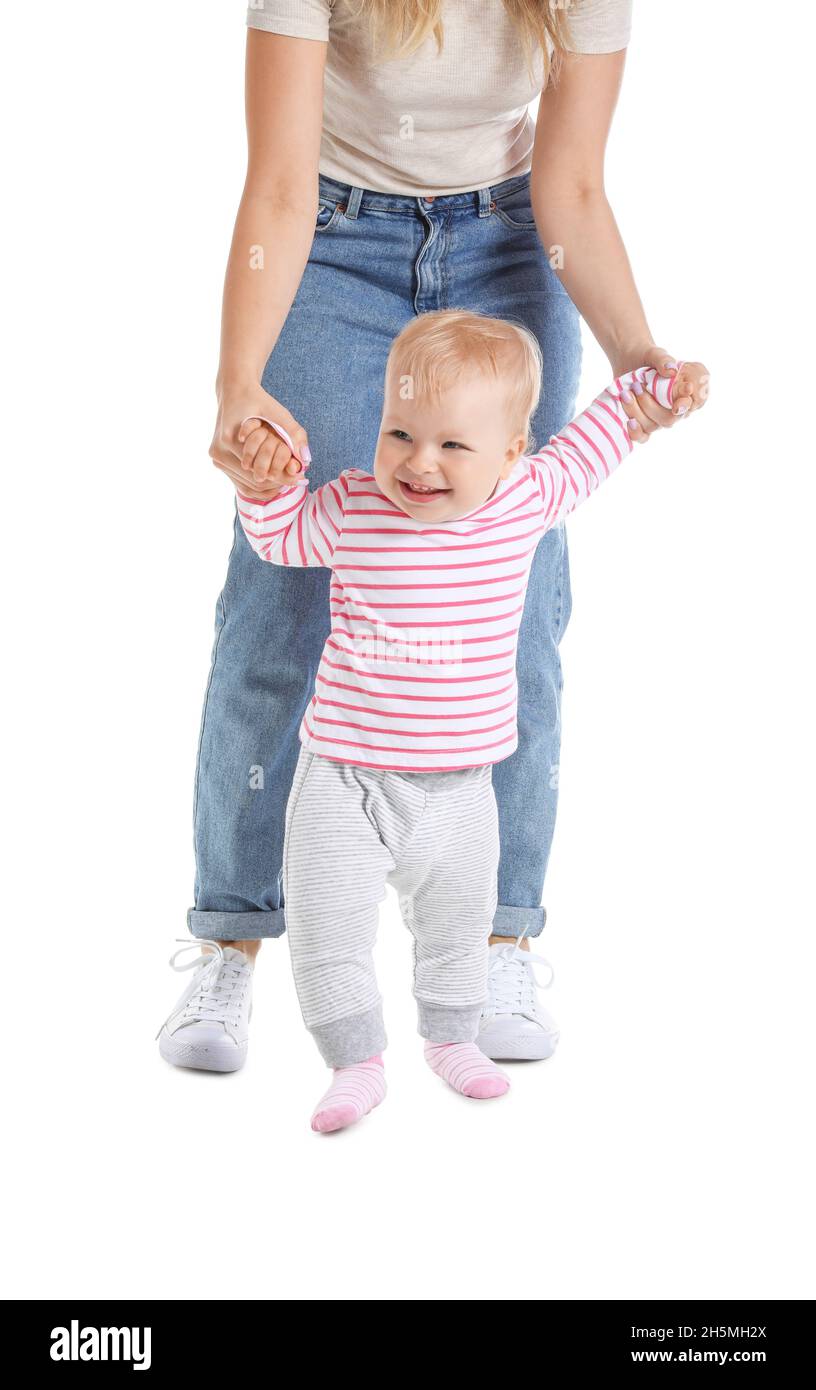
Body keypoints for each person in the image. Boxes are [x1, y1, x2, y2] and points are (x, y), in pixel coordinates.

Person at [158, 1, 706, 1075]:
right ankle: (230, 935)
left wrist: (643, 358)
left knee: (519, 599)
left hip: (510, 238)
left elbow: (576, 189)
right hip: (331, 235)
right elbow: (277, 179)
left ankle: (499, 934)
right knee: (279, 607)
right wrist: (238, 384)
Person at [173, 308, 704, 1129]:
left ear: (511, 453)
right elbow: (279, 541)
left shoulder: (528, 498)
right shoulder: (352, 504)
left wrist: (655, 387)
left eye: (453, 446)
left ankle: (452, 1042)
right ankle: (355, 1063)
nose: (418, 463)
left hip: (463, 790)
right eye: (398, 433)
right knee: (329, 936)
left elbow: (611, 429)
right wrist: (267, 484)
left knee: (459, 933)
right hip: (343, 782)